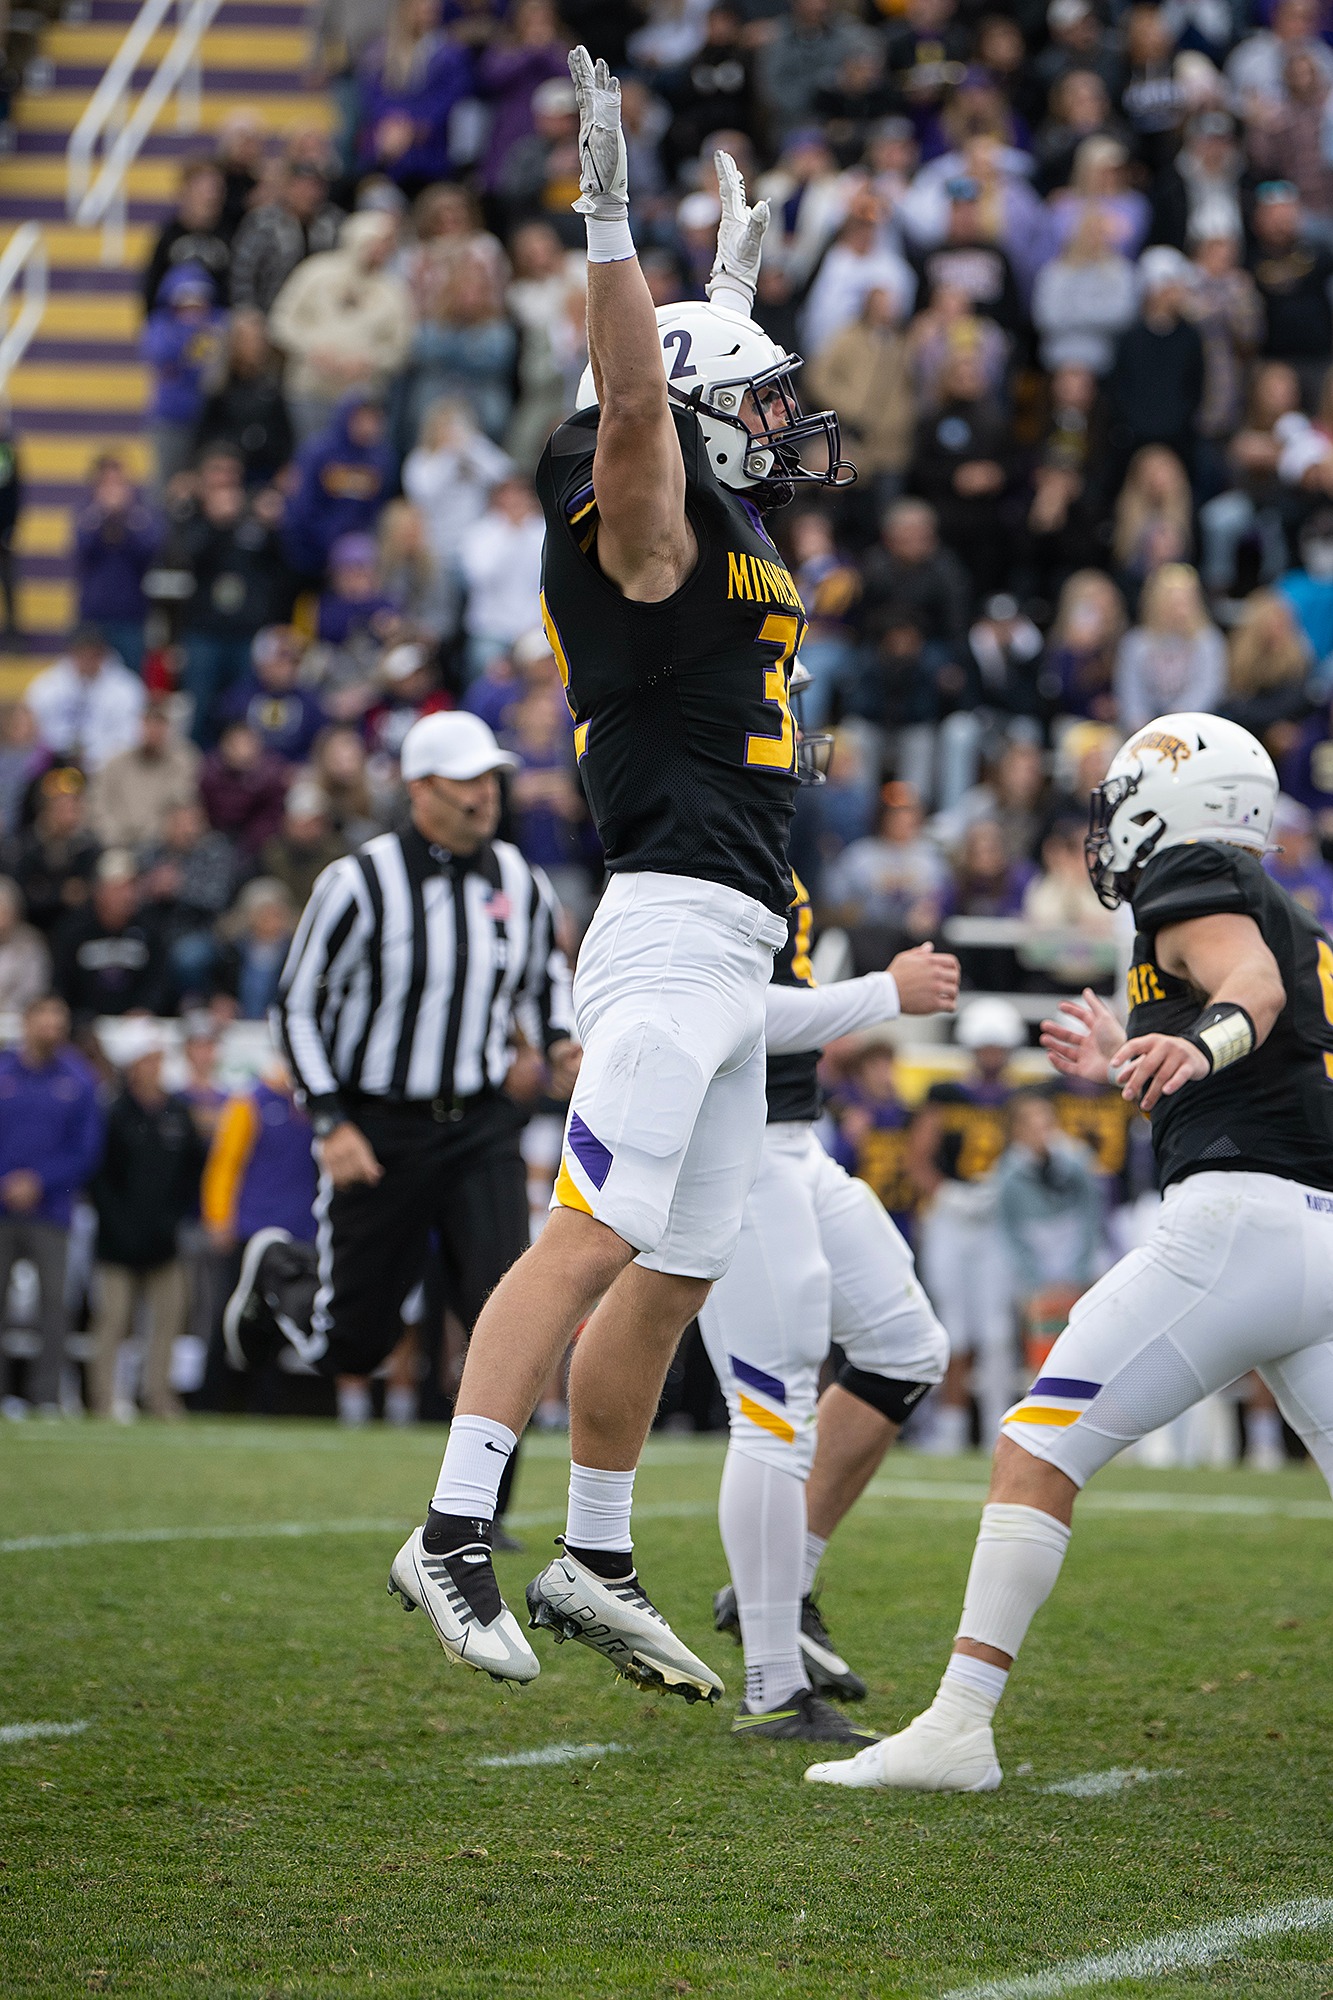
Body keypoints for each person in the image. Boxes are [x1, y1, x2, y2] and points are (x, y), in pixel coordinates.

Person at [248, 74, 853, 1699]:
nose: (791, 426)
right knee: (589, 1236)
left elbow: (681, 409)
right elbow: (647, 419)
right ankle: (450, 1529)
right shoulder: (640, 531)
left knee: (677, 1263)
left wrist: (727, 289)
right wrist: (610, 228)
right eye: (764, 403)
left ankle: (592, 1551)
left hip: (732, 946)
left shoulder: (700, 511)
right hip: (663, 935)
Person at [805, 710, 1333, 1794]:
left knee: (1036, 1445)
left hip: (1237, 1227)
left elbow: (1252, 996)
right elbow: (1268, 1056)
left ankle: (957, 1723)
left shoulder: (1192, 878)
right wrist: (1129, 1061)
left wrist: (1194, 1037)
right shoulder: (1289, 914)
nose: (1107, 829)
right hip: (1314, 1238)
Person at [223, 709, 574, 1558]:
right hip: (379, 1126)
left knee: (506, 1312)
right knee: (357, 1342)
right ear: (419, 789)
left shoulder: (520, 881)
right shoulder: (359, 881)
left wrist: (561, 1041)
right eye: (465, 782)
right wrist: (333, 1120)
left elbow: (542, 980)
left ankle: (479, 1511)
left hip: (482, 1126)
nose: (483, 796)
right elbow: (296, 1004)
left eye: (491, 779)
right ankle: (278, 1274)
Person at [700, 873, 956, 1742]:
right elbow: (731, 1010)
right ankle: (772, 1687)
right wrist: (884, 993)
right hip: (731, 1149)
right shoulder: (696, 849)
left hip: (793, 1140)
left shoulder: (758, 848)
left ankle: (776, 1587)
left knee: (907, 1347)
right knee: (773, 1408)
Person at [911, 996, 1025, 1453]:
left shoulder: (1021, 1100)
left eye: (999, 1048)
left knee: (997, 1331)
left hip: (998, 1217)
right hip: (951, 1218)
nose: (992, 1056)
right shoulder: (945, 1096)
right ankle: (950, 1430)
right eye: (986, 1047)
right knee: (953, 1326)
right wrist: (947, 1193)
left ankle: (1001, 1430)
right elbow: (916, 1159)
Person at [87, 1023, 207, 1420]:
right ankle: (104, 1398)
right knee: (112, 1320)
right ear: (133, 1066)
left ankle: (159, 1395)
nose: (157, 1066)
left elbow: (192, 1171)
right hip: (116, 1237)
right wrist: (118, 1223)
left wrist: (173, 1218)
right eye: (150, 1059)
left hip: (164, 1235)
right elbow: (99, 1177)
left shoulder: (177, 1111)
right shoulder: (113, 1112)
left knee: (169, 1317)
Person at [0, 995, 102, 1414]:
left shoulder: (79, 1079)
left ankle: (45, 1396)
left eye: (58, 1022)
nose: (52, 1029)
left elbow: (87, 1150)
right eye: (44, 1020)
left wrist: (40, 1181)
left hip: (53, 1212)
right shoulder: (4, 1070)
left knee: (55, 1310)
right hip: (2, 1209)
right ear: (27, 1022)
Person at [52, 850, 173, 1023]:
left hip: (135, 1025)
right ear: (99, 890)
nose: (127, 895)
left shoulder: (150, 929)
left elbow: (159, 980)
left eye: (132, 887)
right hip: (85, 1025)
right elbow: (62, 982)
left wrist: (146, 1008)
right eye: (119, 888)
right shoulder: (74, 931)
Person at [73, 456, 159, 674]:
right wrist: (103, 516)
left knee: (131, 681)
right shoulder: (86, 514)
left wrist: (125, 518)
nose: (113, 491)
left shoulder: (141, 515)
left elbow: (148, 552)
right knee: (88, 681)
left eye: (118, 483)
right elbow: (84, 549)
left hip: (131, 617)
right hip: (93, 616)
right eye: (107, 484)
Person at [85, 696, 200, 853]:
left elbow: (183, 808)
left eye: (160, 724)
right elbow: (97, 805)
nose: (154, 730)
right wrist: (114, 836)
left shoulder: (183, 763)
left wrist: (157, 837)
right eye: (148, 723)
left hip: (164, 848)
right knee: (116, 870)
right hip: (116, 845)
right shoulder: (114, 763)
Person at [26, 623, 145, 774]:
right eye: (81, 654)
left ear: (102, 654)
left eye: (92, 655)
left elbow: (130, 738)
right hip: (54, 765)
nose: (86, 661)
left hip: (104, 769)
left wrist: (92, 756)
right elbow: (32, 726)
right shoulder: (48, 684)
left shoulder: (126, 688)